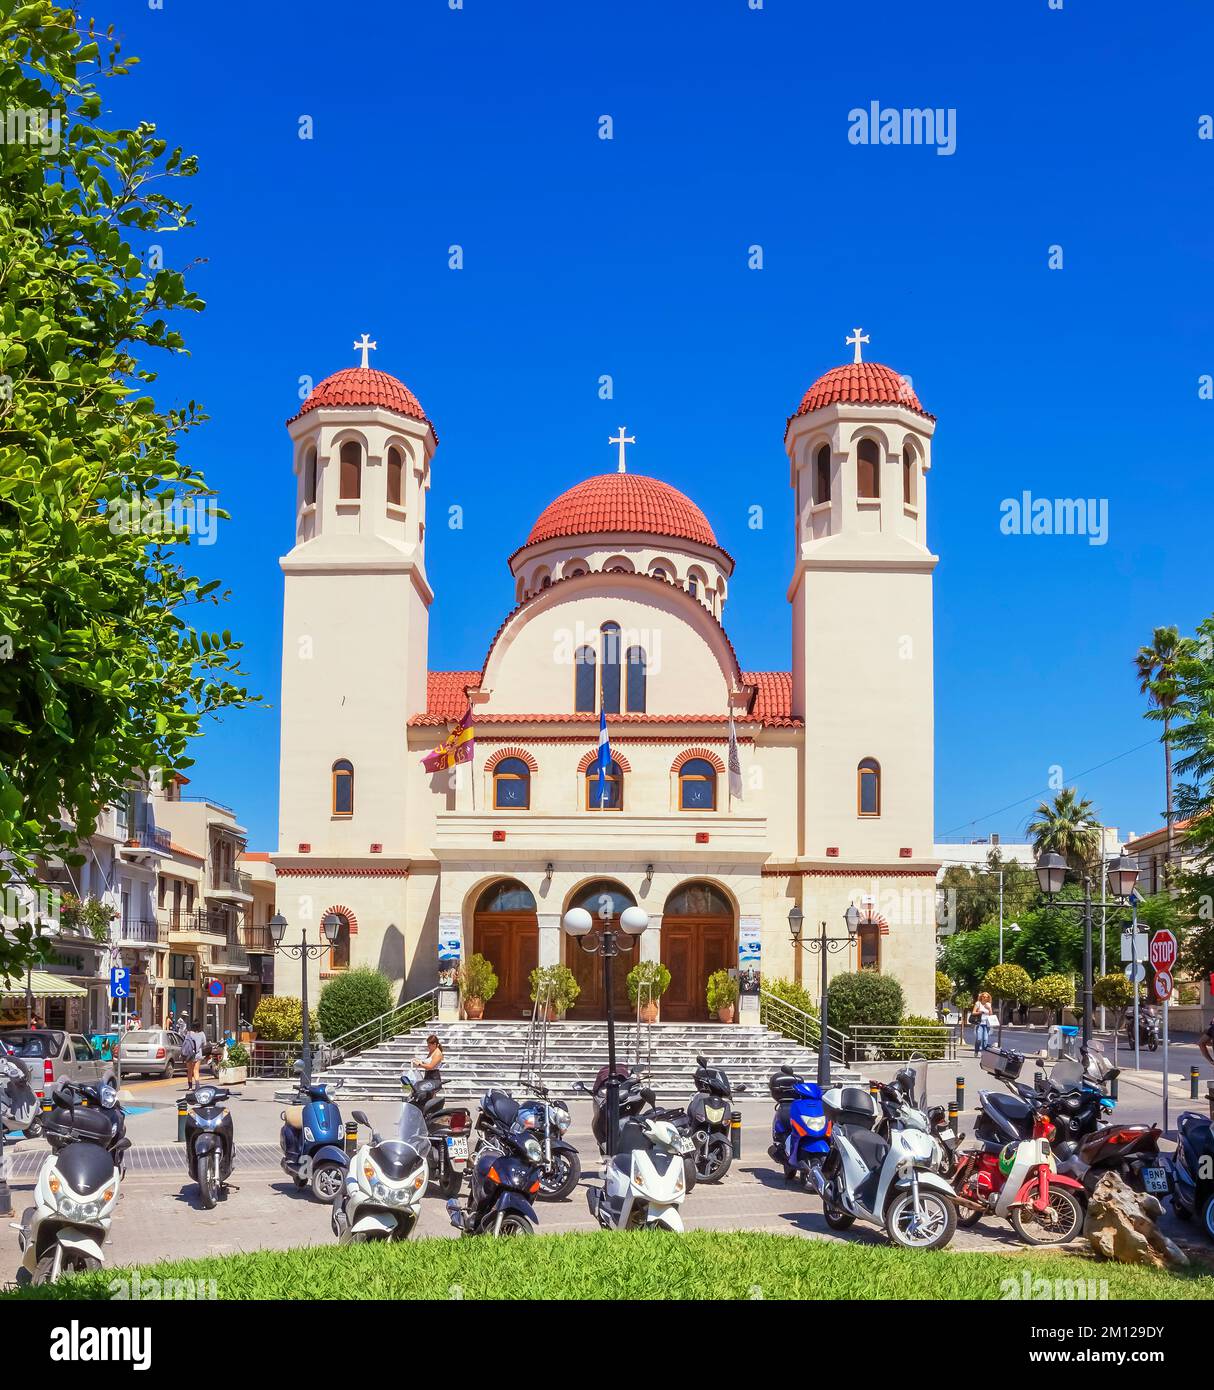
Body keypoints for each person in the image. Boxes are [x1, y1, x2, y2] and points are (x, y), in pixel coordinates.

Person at [181, 1019, 207, 1088]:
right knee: (196, 1070)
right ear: (199, 1026)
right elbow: (204, 1044)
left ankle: (190, 1086)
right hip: (197, 1055)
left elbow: (185, 1043)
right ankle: (197, 1086)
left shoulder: (189, 1033)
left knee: (189, 1070)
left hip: (189, 1054)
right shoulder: (202, 1034)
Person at [970, 991, 994, 1057]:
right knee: (979, 1039)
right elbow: (973, 1013)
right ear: (981, 997)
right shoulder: (978, 1003)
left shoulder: (989, 1004)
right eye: (983, 996)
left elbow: (991, 1014)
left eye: (986, 997)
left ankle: (984, 1053)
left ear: (988, 998)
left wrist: (989, 1008)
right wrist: (980, 1012)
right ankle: (976, 1051)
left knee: (985, 1039)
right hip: (979, 1023)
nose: (985, 998)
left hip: (987, 1024)